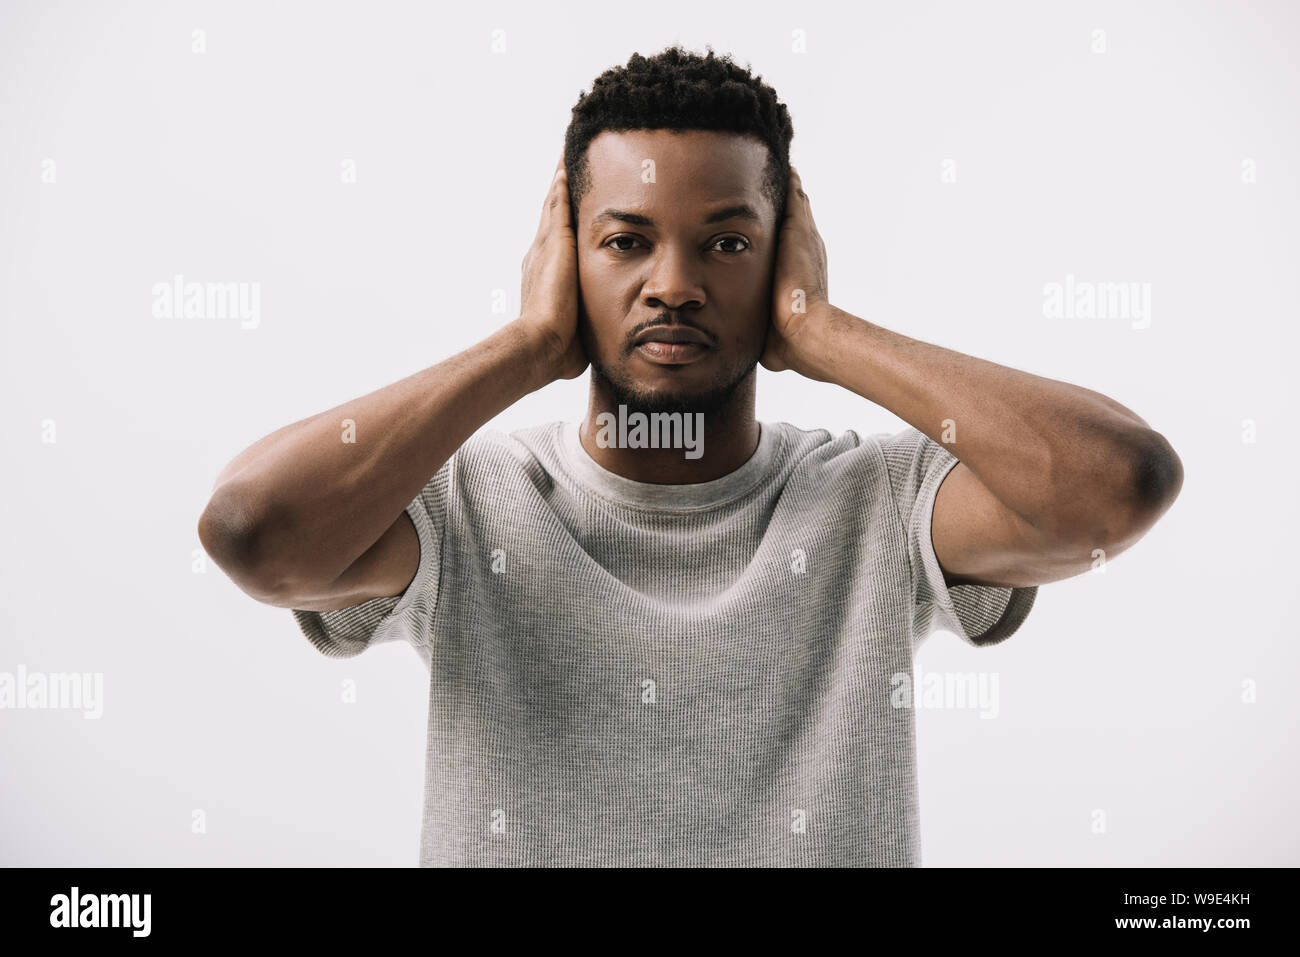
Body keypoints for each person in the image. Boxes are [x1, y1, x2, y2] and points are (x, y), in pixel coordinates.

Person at [197, 46, 1183, 866]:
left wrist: (823, 331)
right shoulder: (470, 506)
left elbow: (1116, 486)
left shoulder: (871, 503)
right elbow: (253, 532)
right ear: (564, 257)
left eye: (724, 244)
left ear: (784, 253)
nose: (672, 285)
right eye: (625, 242)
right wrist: (527, 347)